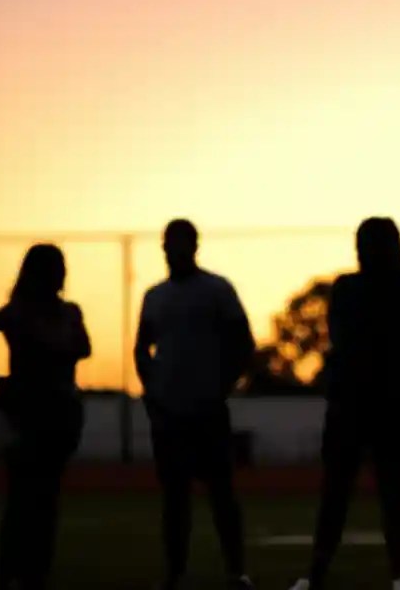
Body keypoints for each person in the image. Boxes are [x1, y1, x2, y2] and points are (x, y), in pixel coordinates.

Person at [290, 217, 400, 590]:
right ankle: (397, 574)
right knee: (383, 489)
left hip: (362, 397)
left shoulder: (352, 288)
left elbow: (343, 334)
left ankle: (320, 573)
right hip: (383, 397)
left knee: (347, 489)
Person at [0, 243, 91, 590]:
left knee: (31, 498)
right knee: (34, 498)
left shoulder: (38, 313)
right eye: (56, 268)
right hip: (38, 413)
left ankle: (22, 572)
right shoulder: (29, 313)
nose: (60, 274)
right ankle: (24, 572)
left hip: (49, 413)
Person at [134, 219, 256, 590]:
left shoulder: (217, 290)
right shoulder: (154, 296)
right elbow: (142, 347)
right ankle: (174, 573)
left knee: (221, 493)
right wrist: (152, 390)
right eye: (169, 243)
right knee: (175, 498)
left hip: (208, 409)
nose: (174, 250)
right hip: (169, 412)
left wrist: (223, 385)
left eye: (181, 243)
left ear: (195, 246)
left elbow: (243, 342)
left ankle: (237, 572)